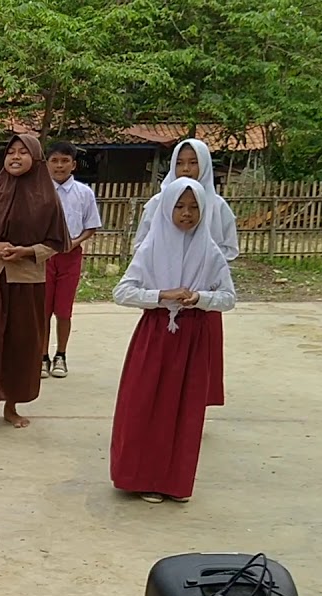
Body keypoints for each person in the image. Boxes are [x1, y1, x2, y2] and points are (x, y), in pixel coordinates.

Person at [111, 178, 235, 503]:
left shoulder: (210, 252)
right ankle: (143, 478)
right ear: (167, 208)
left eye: (194, 207)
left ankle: (174, 482)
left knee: (184, 409)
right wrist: (161, 295)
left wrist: (201, 298)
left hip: (193, 339)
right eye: (179, 206)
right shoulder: (151, 248)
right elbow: (122, 292)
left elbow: (228, 297)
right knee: (146, 405)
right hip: (155, 336)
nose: (186, 213)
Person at [0, 134, 70, 428]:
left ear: (35, 159)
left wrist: (26, 252)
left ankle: (11, 404)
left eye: (23, 152)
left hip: (27, 281)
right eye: (11, 152)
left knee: (22, 343)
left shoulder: (47, 198)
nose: (15, 157)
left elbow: (56, 243)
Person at [134, 138, 238, 408]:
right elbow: (141, 242)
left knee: (200, 356)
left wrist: (204, 262)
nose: (186, 169)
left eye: (193, 163)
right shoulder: (158, 203)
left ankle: (192, 407)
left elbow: (229, 247)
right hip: (166, 290)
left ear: (204, 165)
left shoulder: (217, 206)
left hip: (202, 292)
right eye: (180, 163)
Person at [42, 142, 102, 379]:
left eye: (64, 161)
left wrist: (75, 242)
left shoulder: (84, 193)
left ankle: (61, 355)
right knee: (43, 310)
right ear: (47, 164)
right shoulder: (39, 191)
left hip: (70, 256)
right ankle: (42, 356)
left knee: (64, 310)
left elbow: (91, 226)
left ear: (73, 164)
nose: (59, 166)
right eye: (54, 161)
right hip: (44, 256)